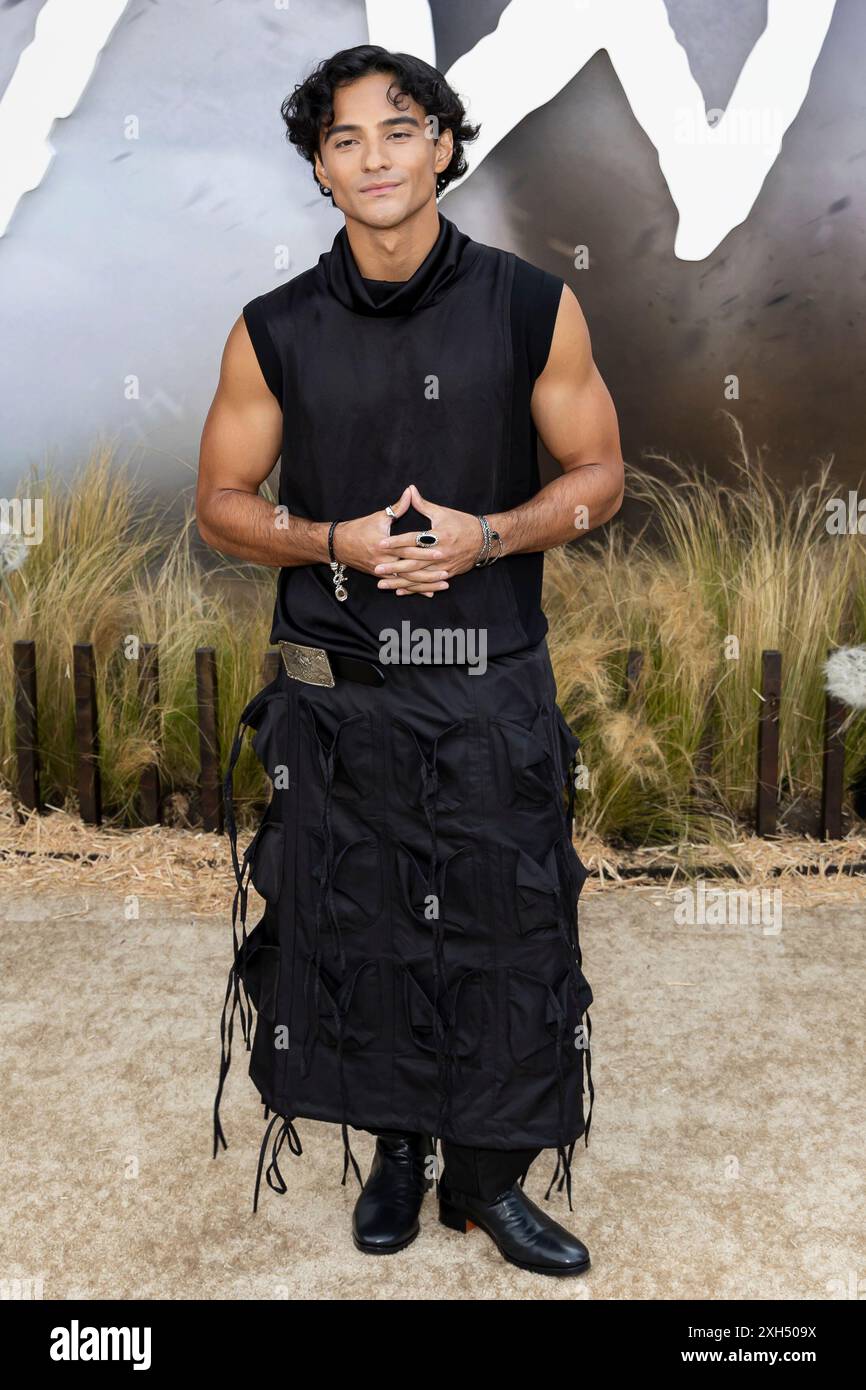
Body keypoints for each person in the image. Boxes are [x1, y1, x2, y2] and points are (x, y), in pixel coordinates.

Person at [197, 43, 623, 1277]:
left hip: (488, 686)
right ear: (319, 169)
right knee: (359, 932)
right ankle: (396, 1152)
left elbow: (601, 475)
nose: (374, 157)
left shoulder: (531, 303)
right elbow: (221, 502)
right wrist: (330, 539)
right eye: (344, 139)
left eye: (400, 129)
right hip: (339, 703)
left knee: (503, 935)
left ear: (443, 144)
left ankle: (483, 1181)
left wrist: (491, 533)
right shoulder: (272, 328)